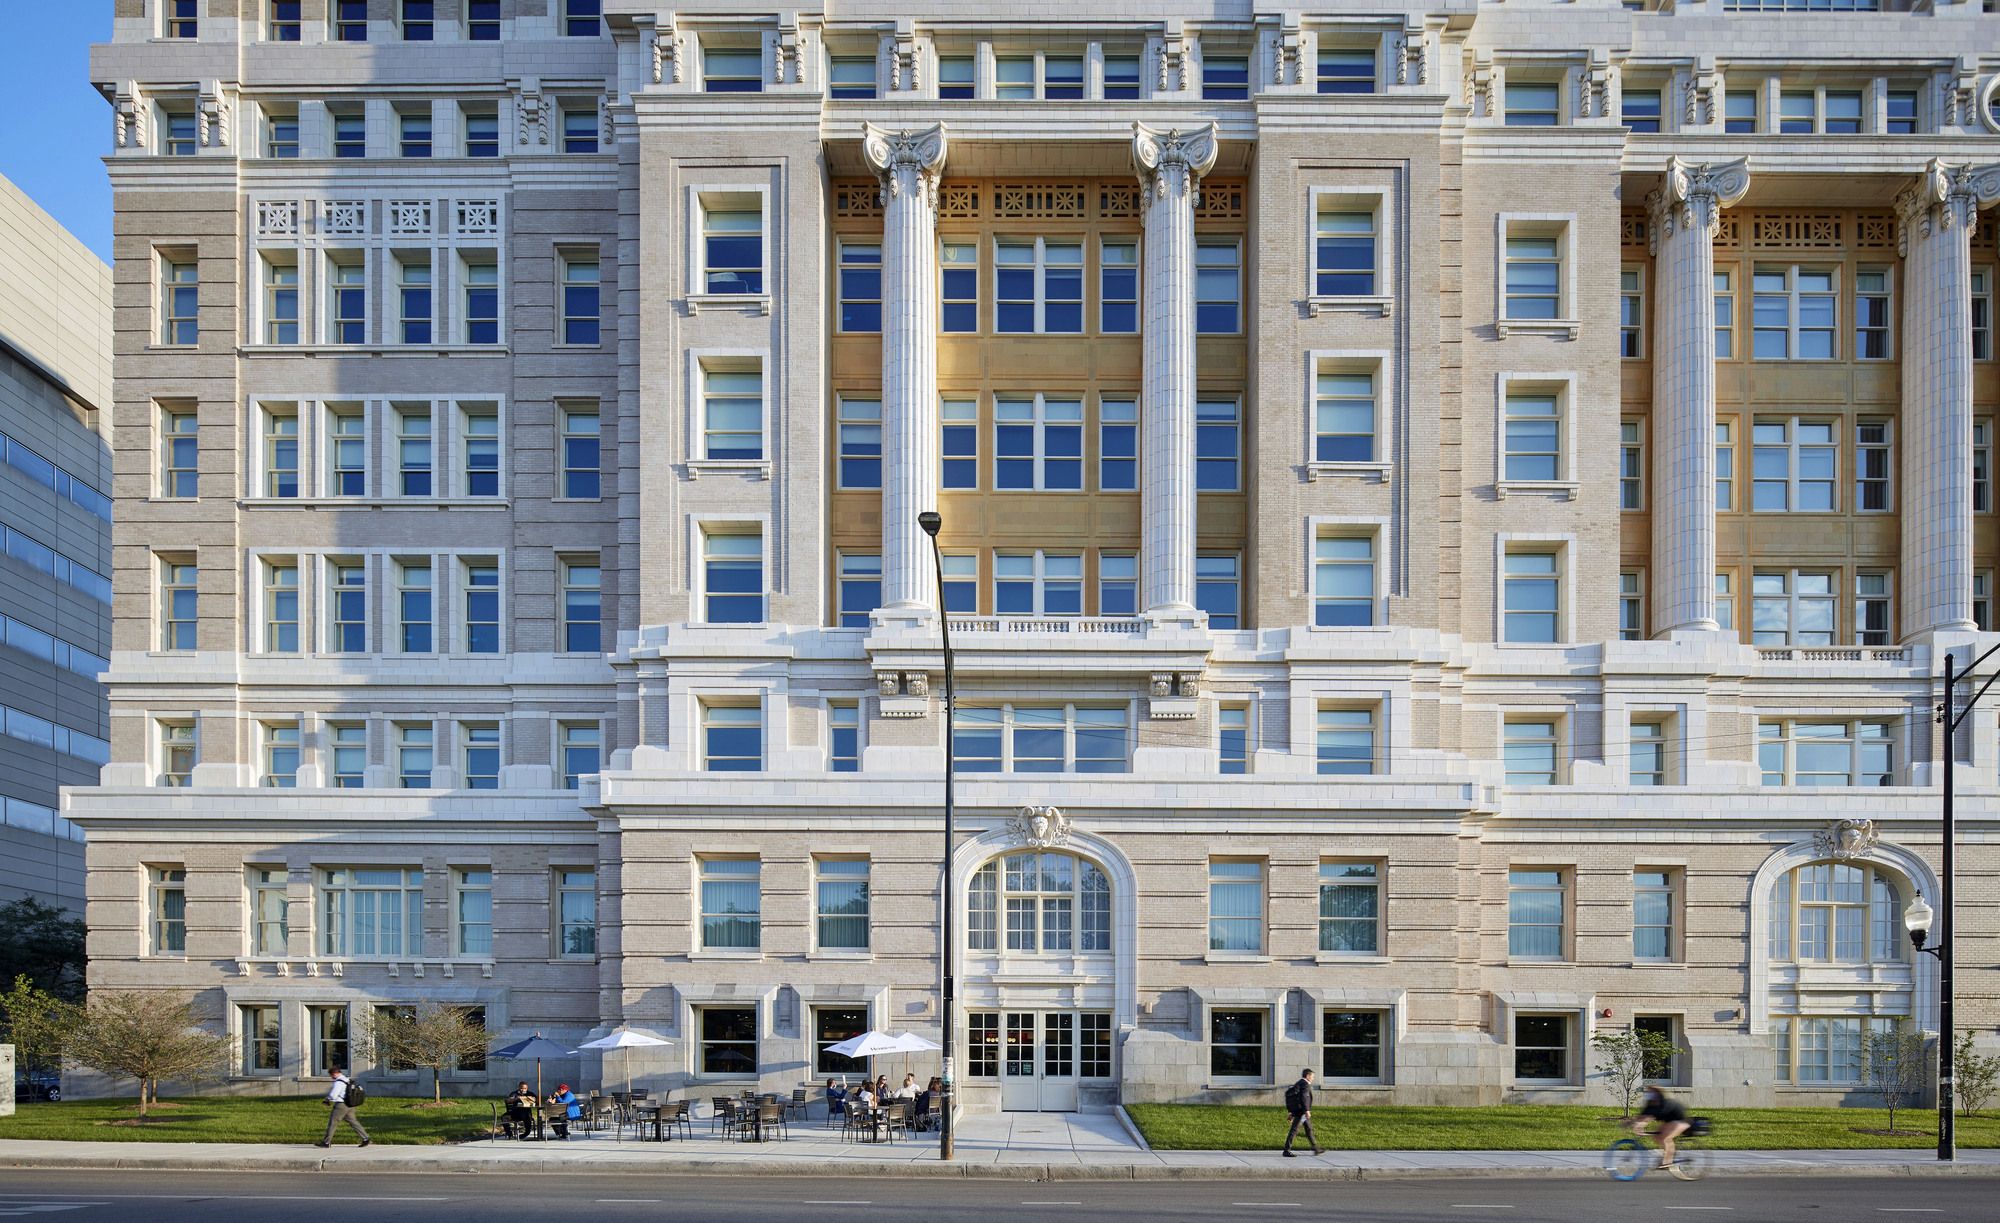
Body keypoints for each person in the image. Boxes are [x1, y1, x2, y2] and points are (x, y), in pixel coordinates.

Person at [1628, 1084, 1691, 1172]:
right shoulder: (1650, 1103)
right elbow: (1643, 1114)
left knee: (1665, 1138)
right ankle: (1668, 1154)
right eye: (1648, 1092)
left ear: (1657, 1093)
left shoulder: (1664, 1102)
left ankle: (1666, 1162)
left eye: (1650, 1092)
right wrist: (1631, 1122)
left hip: (1680, 1121)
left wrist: (1643, 1123)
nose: (1648, 1094)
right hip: (1669, 1121)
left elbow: (1656, 1115)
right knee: (1656, 1136)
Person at [315, 1068, 370, 1148]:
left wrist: (328, 1098)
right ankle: (365, 1138)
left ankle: (326, 1142)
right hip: (350, 1104)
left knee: (333, 1122)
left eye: (331, 1076)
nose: (332, 1077)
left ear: (334, 1074)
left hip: (341, 1105)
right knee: (353, 1122)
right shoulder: (347, 1080)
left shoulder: (338, 1082)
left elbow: (334, 1095)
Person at [1281, 1067, 1322, 1157]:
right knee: (1294, 1131)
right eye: (1312, 1076)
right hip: (1302, 1113)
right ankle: (1286, 1151)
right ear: (1307, 1076)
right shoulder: (1305, 1084)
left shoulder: (1298, 1083)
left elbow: (1294, 1100)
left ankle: (1316, 1149)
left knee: (1309, 1129)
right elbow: (1304, 1098)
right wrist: (1307, 1110)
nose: (1313, 1078)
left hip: (1299, 1112)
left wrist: (1291, 1113)